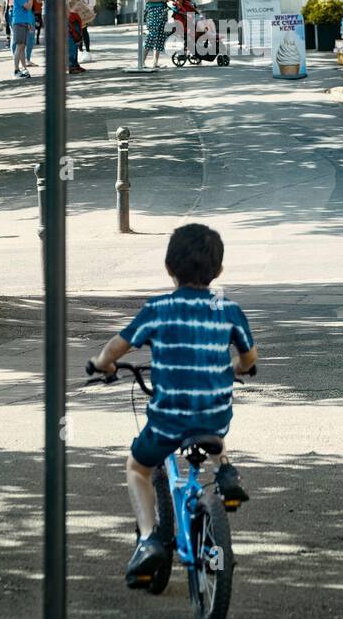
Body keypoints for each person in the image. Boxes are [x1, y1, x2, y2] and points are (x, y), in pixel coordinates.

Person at [89, 223, 258, 587]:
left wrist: (102, 363)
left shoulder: (159, 309)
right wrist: (235, 368)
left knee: (138, 466)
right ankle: (226, 472)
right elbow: (248, 360)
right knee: (211, 412)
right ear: (219, 270)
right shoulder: (227, 310)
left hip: (168, 419)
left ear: (170, 268)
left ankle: (150, 538)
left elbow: (117, 348)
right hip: (215, 415)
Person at [144, 0, 171, 68]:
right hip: (153, 12)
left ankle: (155, 62)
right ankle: (142, 61)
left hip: (163, 12)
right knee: (152, 36)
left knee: (160, 37)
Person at [10, 0, 35, 79]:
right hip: (18, 22)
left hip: (23, 22)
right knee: (19, 46)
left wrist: (29, 22)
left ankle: (24, 68)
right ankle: (16, 70)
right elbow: (28, 6)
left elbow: (27, 11)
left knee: (23, 46)